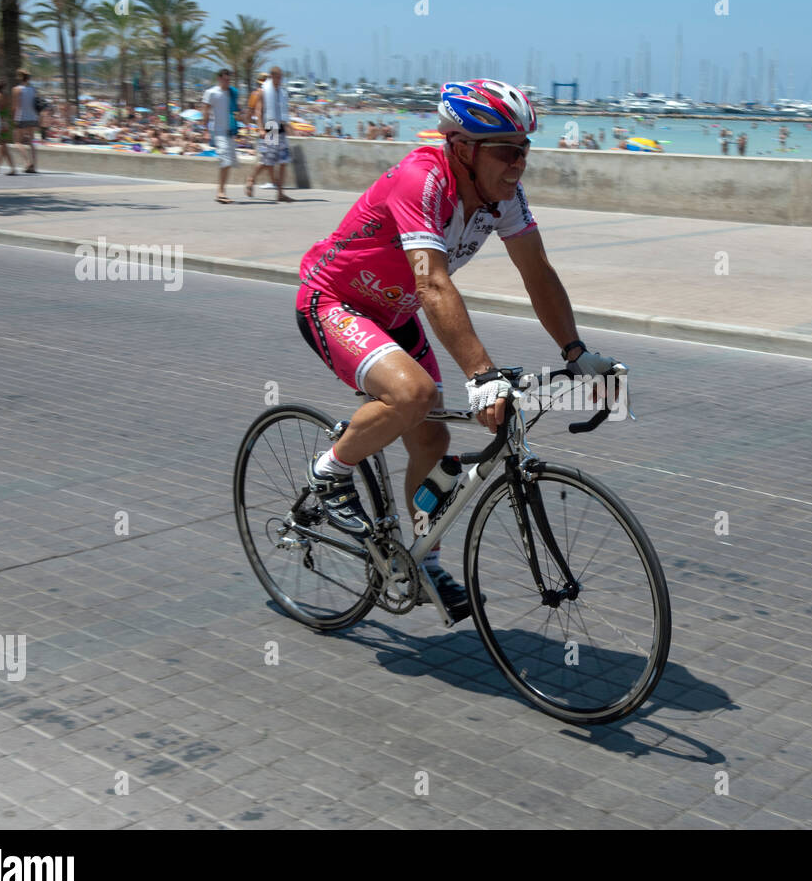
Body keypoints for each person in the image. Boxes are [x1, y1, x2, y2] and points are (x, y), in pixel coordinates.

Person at [294, 78, 621, 622]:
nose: (518, 164)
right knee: (413, 393)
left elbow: (537, 272)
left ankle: (426, 559)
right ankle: (330, 470)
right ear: (463, 148)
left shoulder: (504, 197)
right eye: (506, 151)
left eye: (525, 151)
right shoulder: (422, 181)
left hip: (394, 315)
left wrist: (575, 351)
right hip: (334, 302)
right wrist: (481, 374)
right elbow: (434, 285)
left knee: (434, 437)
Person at [247, 66, 295, 201]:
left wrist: (288, 126)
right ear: (272, 76)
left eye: (281, 77)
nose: (280, 80)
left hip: (281, 127)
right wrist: (261, 129)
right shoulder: (263, 91)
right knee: (267, 161)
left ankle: (280, 193)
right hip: (271, 127)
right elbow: (258, 112)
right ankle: (251, 179)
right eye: (278, 77)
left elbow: (283, 112)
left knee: (284, 161)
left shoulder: (282, 92)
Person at [201, 68, 241, 203]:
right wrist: (205, 130)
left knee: (229, 162)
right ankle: (220, 193)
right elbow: (205, 111)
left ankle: (222, 190)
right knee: (225, 160)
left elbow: (236, 110)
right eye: (225, 79)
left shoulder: (231, 93)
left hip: (229, 131)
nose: (227, 82)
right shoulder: (211, 93)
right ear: (219, 79)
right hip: (217, 132)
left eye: (229, 80)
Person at [12, 69, 39, 173]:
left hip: (21, 117)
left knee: (18, 142)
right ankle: (34, 166)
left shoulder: (17, 89)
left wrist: (13, 118)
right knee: (31, 142)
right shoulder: (33, 89)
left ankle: (27, 162)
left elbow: (15, 106)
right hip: (33, 117)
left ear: (20, 77)